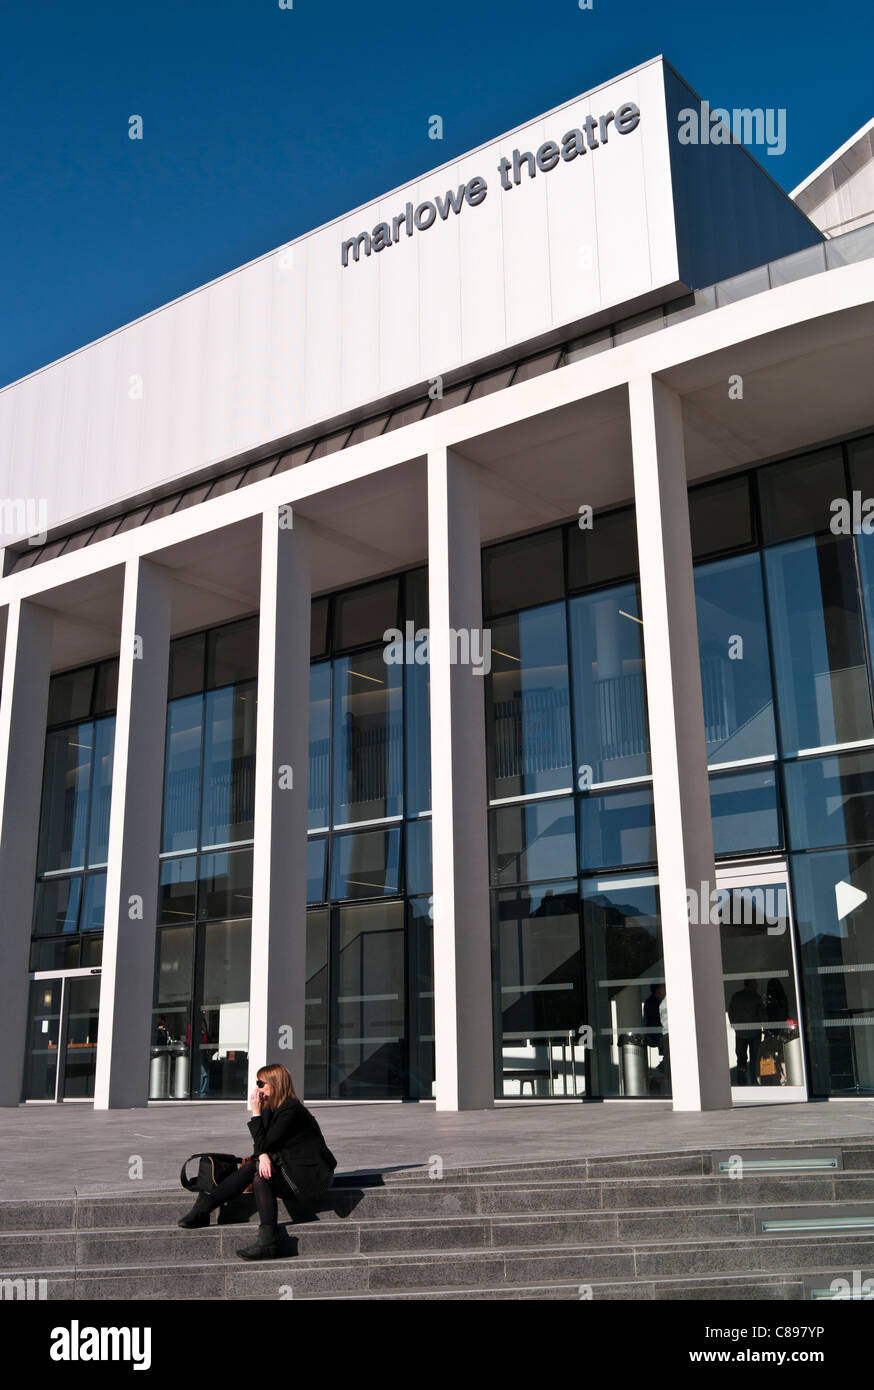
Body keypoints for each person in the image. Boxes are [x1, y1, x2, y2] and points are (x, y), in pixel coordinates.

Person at [177, 1062, 337, 1260]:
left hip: (310, 1175)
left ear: (275, 1084)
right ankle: (265, 1240)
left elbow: (265, 1143)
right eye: (257, 1083)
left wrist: (256, 1114)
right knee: (258, 1171)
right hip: (291, 1167)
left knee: (259, 1173)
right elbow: (262, 1146)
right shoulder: (271, 1108)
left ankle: (206, 1209)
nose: (257, 1088)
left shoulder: (291, 1110)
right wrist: (262, 1155)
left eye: (261, 1083)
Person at [728, 979, 763, 1083]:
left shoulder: (736, 996)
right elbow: (761, 1013)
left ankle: (742, 1082)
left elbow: (731, 1012)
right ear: (750, 985)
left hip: (741, 1033)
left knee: (741, 1058)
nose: (757, 986)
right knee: (754, 1058)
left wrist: (735, 1026)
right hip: (754, 1033)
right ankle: (754, 1080)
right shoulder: (756, 997)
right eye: (755, 984)